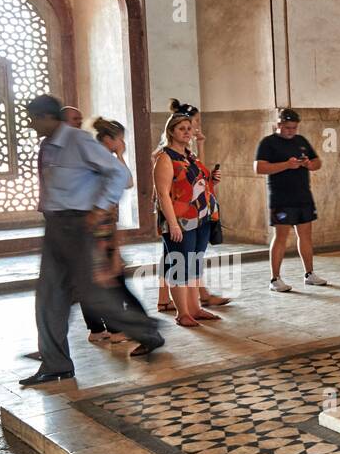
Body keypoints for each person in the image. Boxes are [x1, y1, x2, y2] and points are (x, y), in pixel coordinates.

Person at [21, 95, 163, 386]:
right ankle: (56, 364)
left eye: (33, 118)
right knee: (49, 297)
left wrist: (99, 209)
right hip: (56, 226)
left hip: (79, 224)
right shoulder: (48, 144)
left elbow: (118, 174)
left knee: (93, 294)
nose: (30, 123)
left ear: (47, 117)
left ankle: (147, 331)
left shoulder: (78, 141)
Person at [90, 118, 164, 358]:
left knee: (116, 287)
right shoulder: (98, 163)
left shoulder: (103, 163)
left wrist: (109, 245)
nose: (123, 143)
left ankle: (145, 331)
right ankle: (136, 329)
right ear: (109, 139)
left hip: (100, 234)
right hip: (99, 234)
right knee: (111, 288)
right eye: (120, 139)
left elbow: (125, 184)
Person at [157, 99, 229, 313]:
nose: (189, 131)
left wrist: (211, 181)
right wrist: (173, 224)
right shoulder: (165, 156)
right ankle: (183, 312)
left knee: (192, 262)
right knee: (179, 263)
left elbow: (198, 179)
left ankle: (194, 307)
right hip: (180, 217)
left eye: (190, 127)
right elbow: (162, 192)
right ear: (172, 131)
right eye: (183, 128)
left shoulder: (189, 155)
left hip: (200, 216)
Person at [255, 108, 327, 292]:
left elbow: (317, 161)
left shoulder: (301, 141)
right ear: (279, 125)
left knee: (305, 235)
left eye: (294, 128)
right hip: (281, 197)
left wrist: (310, 165)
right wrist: (287, 165)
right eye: (287, 128)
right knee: (281, 237)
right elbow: (259, 168)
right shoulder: (268, 143)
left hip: (303, 195)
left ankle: (309, 274)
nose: (291, 131)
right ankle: (274, 278)